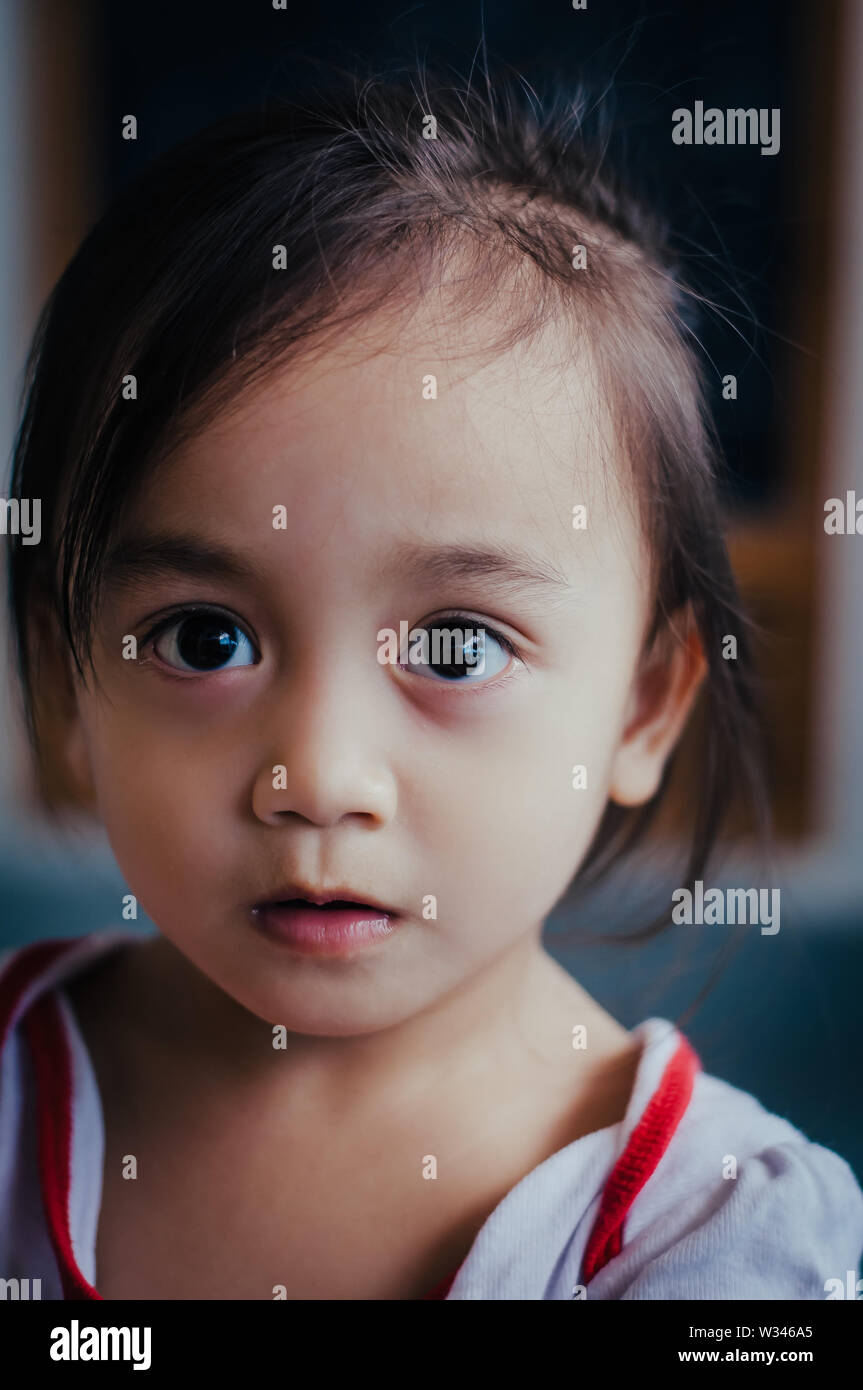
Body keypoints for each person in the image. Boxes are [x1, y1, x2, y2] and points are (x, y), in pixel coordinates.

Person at [3, 65, 861, 1300]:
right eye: (202, 638)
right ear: (63, 681)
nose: (319, 780)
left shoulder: (709, 1241)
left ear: (642, 704)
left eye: (457, 648)